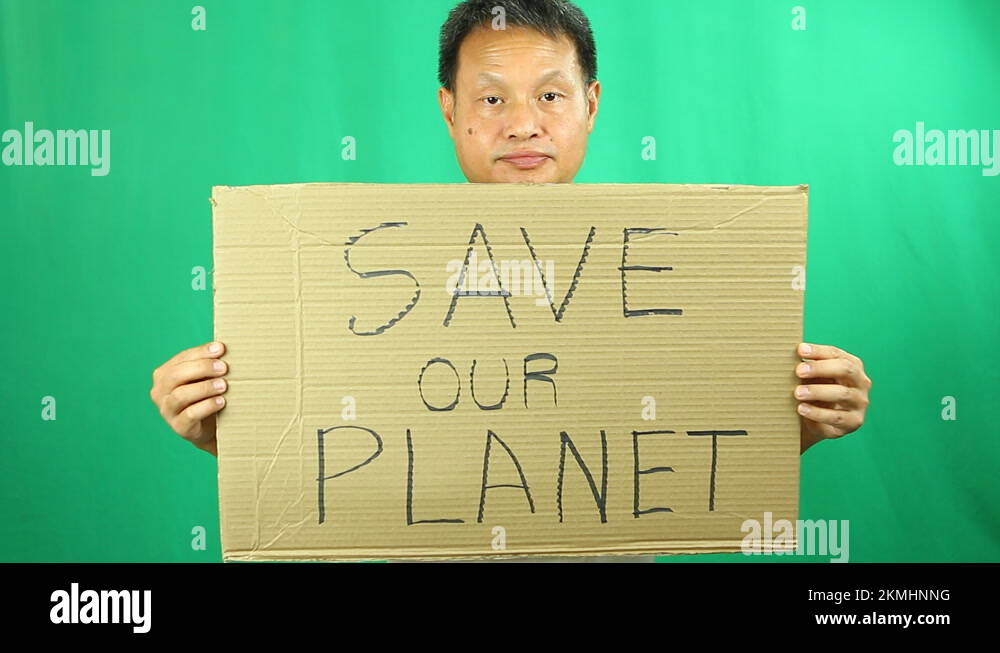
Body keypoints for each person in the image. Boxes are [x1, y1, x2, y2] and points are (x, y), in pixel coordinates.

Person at [149, 0, 872, 561]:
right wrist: (233, 429)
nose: (523, 124)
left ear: (592, 104)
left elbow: (689, 454)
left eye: (551, 97)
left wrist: (792, 425)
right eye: (492, 98)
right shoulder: (365, 278)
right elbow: (333, 451)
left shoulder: (669, 276)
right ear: (450, 110)